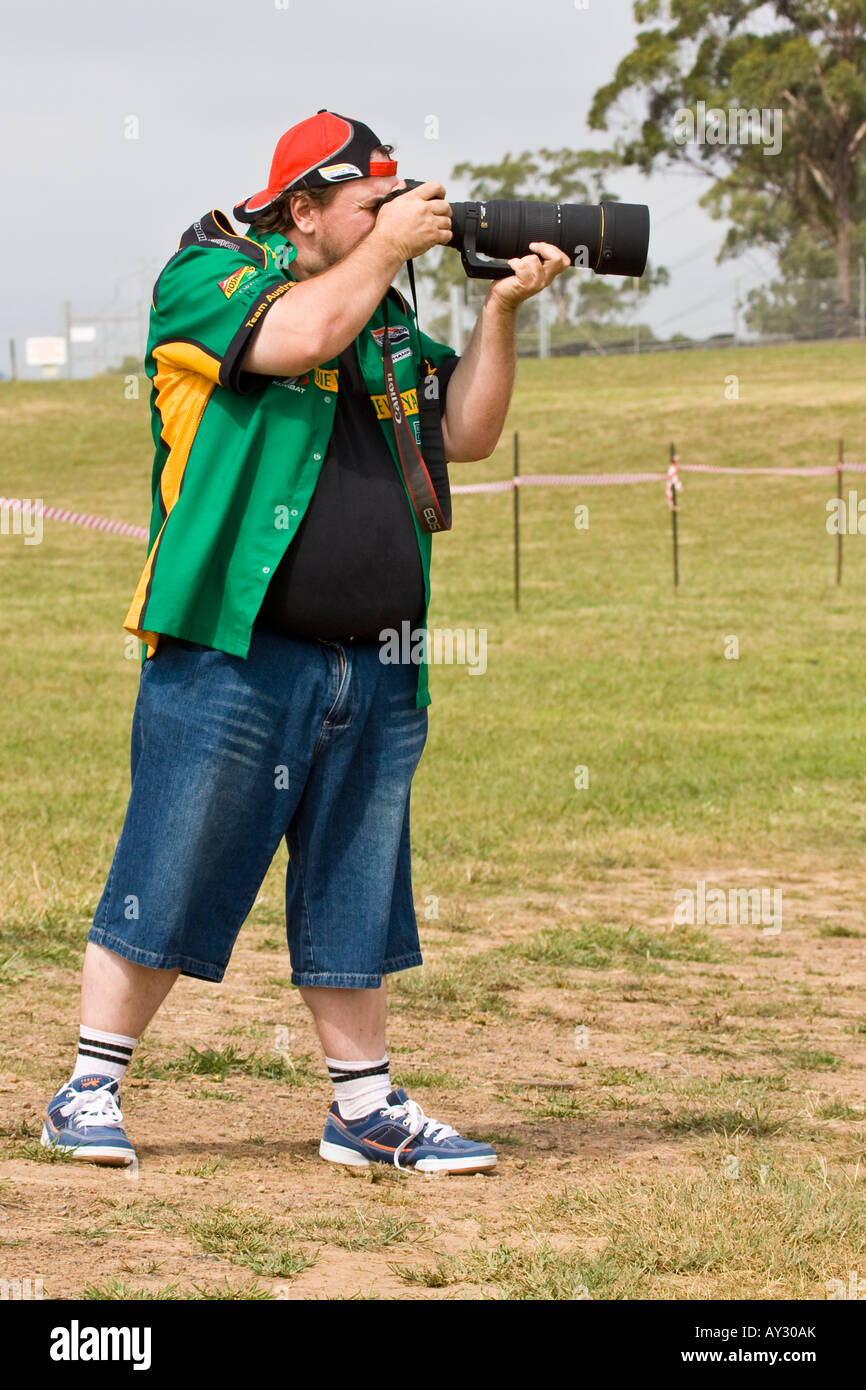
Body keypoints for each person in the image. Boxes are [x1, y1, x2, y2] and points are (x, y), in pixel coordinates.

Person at [41, 110, 571, 1174]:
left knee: (356, 880)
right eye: (371, 207)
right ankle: (87, 1085)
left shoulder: (376, 315)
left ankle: (363, 1109)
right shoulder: (206, 278)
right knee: (173, 860)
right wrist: (384, 253)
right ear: (303, 211)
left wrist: (500, 313)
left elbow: (461, 429)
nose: (397, 223)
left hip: (372, 656)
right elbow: (296, 338)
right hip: (231, 651)